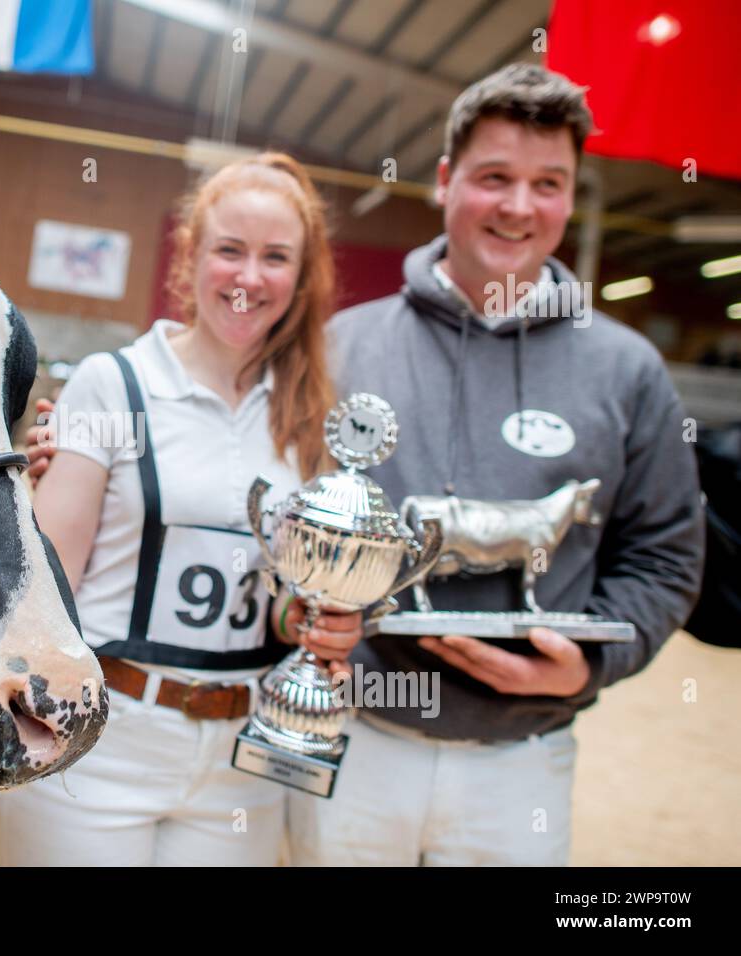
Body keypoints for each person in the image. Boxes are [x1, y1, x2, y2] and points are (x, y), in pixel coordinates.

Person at [288, 63, 705, 866]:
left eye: (548, 183)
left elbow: (666, 554)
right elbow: (288, 530)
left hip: (522, 767)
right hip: (356, 738)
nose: (520, 207)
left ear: (572, 195)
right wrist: (298, 612)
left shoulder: (628, 369)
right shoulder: (344, 346)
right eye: (495, 178)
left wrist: (588, 665)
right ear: (446, 182)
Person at [0, 153, 362, 866]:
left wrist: (321, 622)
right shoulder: (112, 383)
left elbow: (283, 599)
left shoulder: (315, 413)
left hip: (243, 760)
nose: (250, 278)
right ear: (191, 254)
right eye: (230, 250)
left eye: (275, 258)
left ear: (302, 274)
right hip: (100, 738)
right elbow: (55, 577)